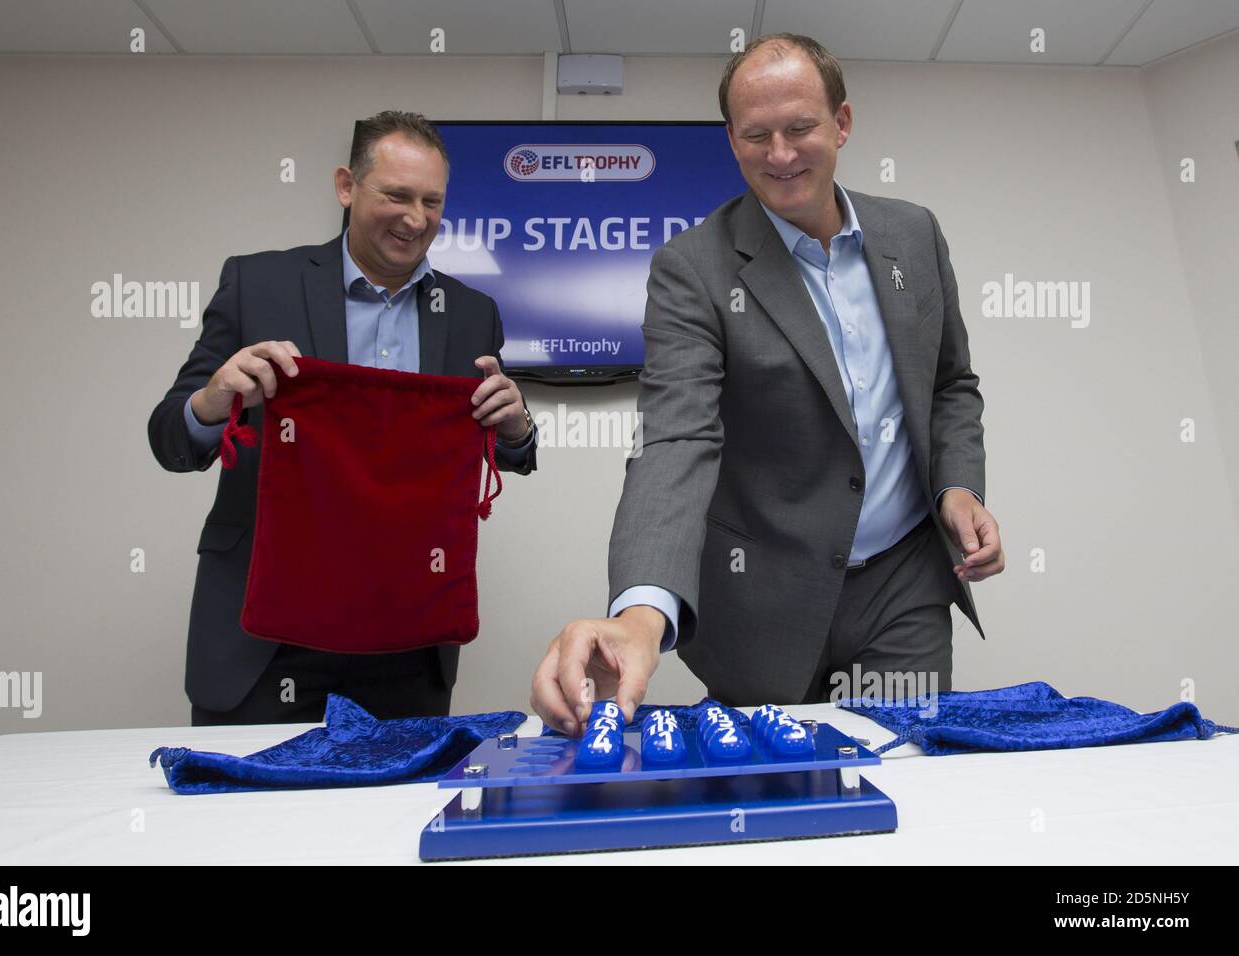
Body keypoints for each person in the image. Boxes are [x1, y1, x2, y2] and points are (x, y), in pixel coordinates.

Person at [532, 34, 1004, 735]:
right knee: (772, 796)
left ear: (841, 123)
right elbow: (677, 440)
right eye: (757, 135)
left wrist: (956, 487)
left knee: (905, 776)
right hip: (759, 599)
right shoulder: (692, 269)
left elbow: (949, 384)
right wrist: (639, 615)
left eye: (801, 128)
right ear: (731, 139)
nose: (780, 155)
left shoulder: (914, 234)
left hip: (904, 582)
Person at [149, 111, 536, 726]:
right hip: (265, 639)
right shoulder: (257, 283)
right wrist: (214, 398)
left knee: (393, 820)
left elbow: (505, 447)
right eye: (396, 195)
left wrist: (515, 427)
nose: (416, 219)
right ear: (346, 187)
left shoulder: (471, 313)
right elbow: (171, 438)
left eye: (432, 202)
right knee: (241, 818)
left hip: (407, 641)